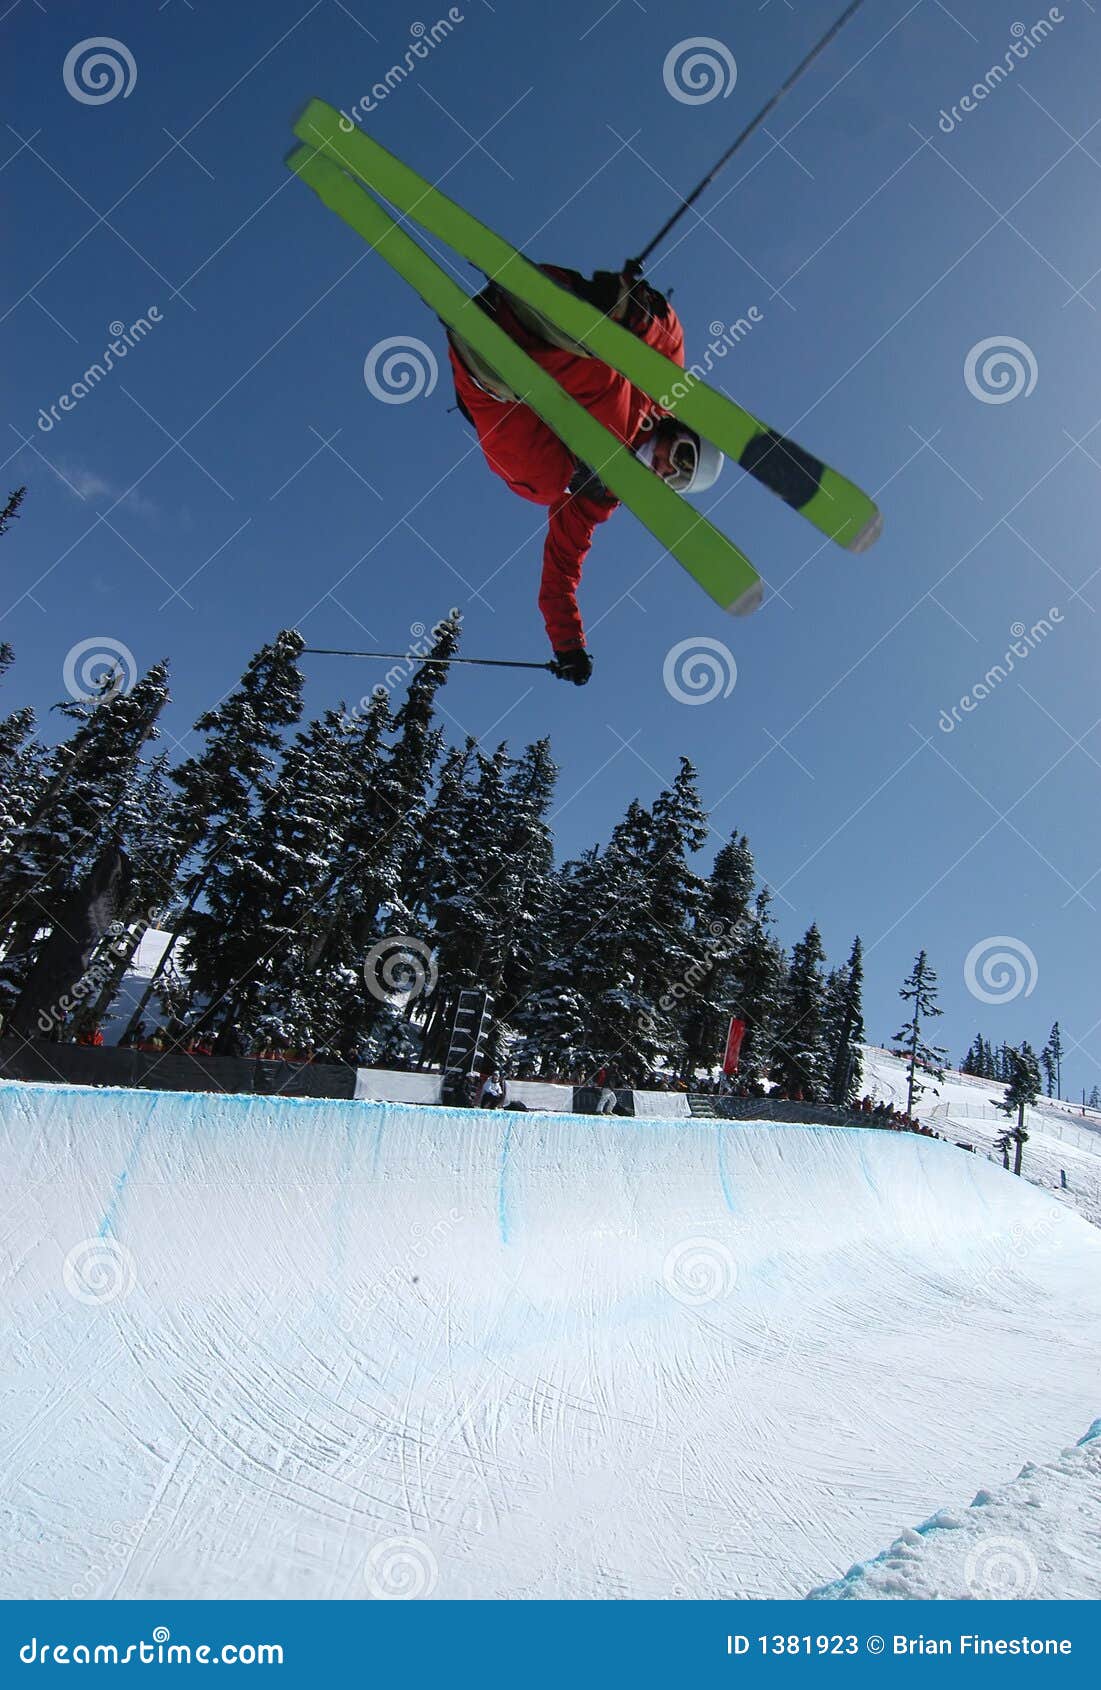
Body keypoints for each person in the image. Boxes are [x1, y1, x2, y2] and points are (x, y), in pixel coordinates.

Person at [447, 263, 723, 684]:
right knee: (614, 394)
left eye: (678, 479)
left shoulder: (603, 495)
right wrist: (642, 313)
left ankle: (496, 358)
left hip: (493, 379)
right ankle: (548, 312)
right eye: (684, 456)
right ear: (681, 430)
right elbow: (671, 338)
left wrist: (569, 645)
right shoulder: (660, 392)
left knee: (545, 485)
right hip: (549, 322)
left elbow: (561, 573)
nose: (669, 469)